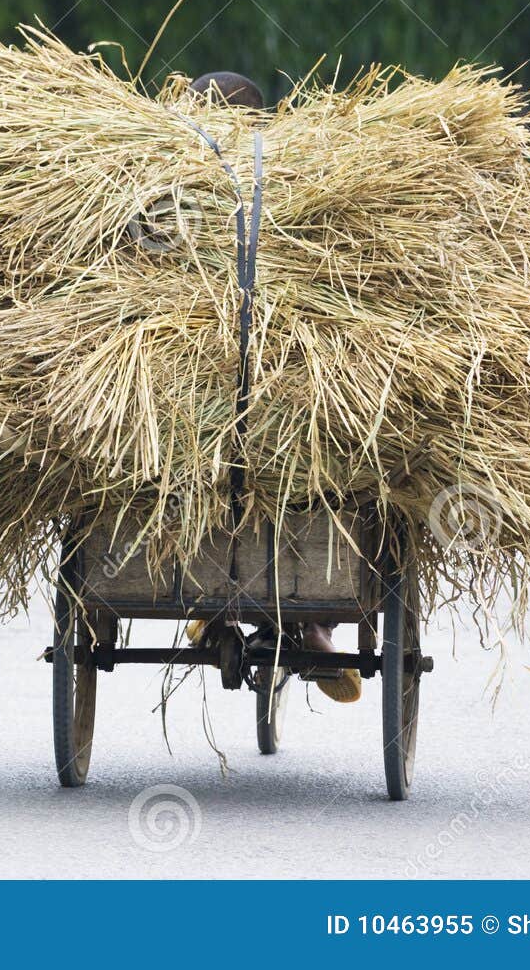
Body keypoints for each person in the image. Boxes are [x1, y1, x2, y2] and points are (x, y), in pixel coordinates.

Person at [181, 68, 361, 703]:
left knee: (194, 461)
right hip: (285, 394)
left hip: (194, 405)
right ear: (262, 123)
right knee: (324, 461)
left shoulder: (168, 180)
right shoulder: (294, 177)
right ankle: (314, 626)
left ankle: (209, 606)